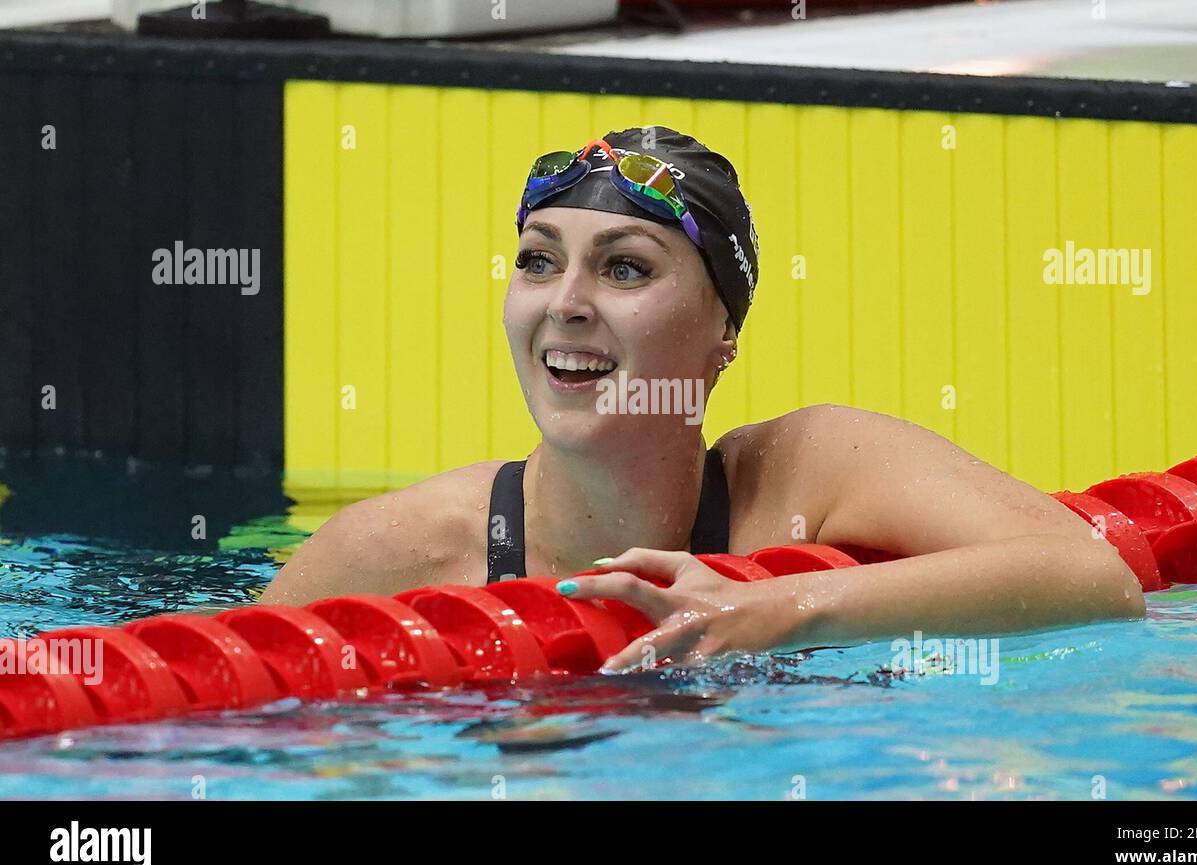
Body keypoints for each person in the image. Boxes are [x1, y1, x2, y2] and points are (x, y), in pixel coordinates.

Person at [261, 126, 1143, 671]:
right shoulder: (398, 550)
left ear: (723, 331)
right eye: (538, 258)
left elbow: (1092, 575)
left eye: (624, 267)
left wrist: (779, 609)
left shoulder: (806, 476)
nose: (564, 300)